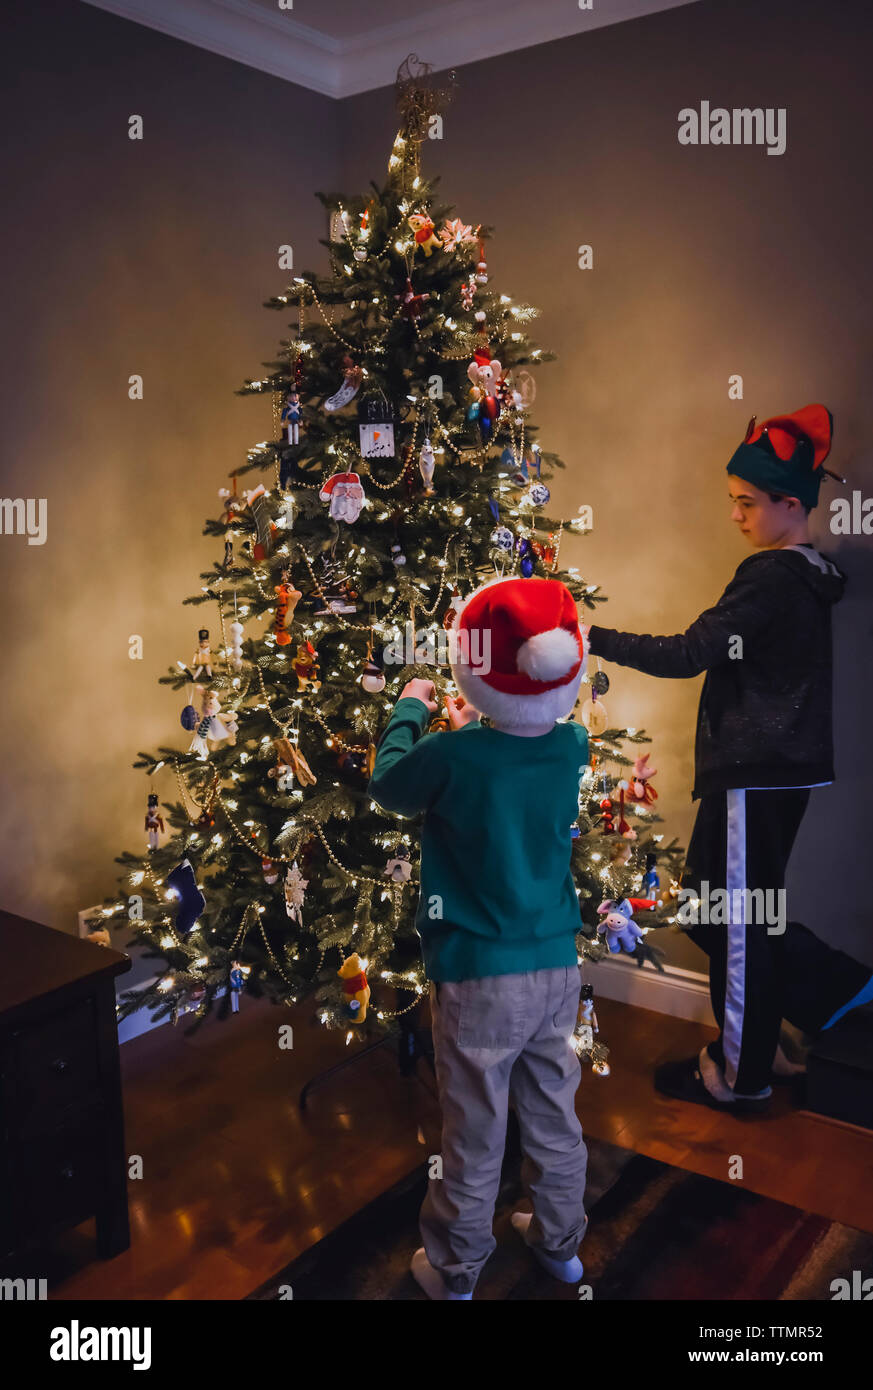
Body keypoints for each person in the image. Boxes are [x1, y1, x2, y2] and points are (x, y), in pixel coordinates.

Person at [583, 404, 873, 1114]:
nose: (736, 516)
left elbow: (687, 652)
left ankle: (741, 1077)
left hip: (756, 771)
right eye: (732, 502)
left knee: (730, 918)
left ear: (789, 502)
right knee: (728, 912)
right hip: (778, 770)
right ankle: (814, 1004)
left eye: (747, 503)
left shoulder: (771, 575)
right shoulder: (808, 573)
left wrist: (588, 633)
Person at [368, 576, 591, 1300]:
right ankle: (560, 1246)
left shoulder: (450, 756)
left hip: (476, 974)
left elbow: (391, 785)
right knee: (553, 1110)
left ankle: (457, 1270)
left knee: (474, 1125)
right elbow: (511, 768)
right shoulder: (570, 747)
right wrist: (473, 727)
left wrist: (413, 706)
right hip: (555, 963)